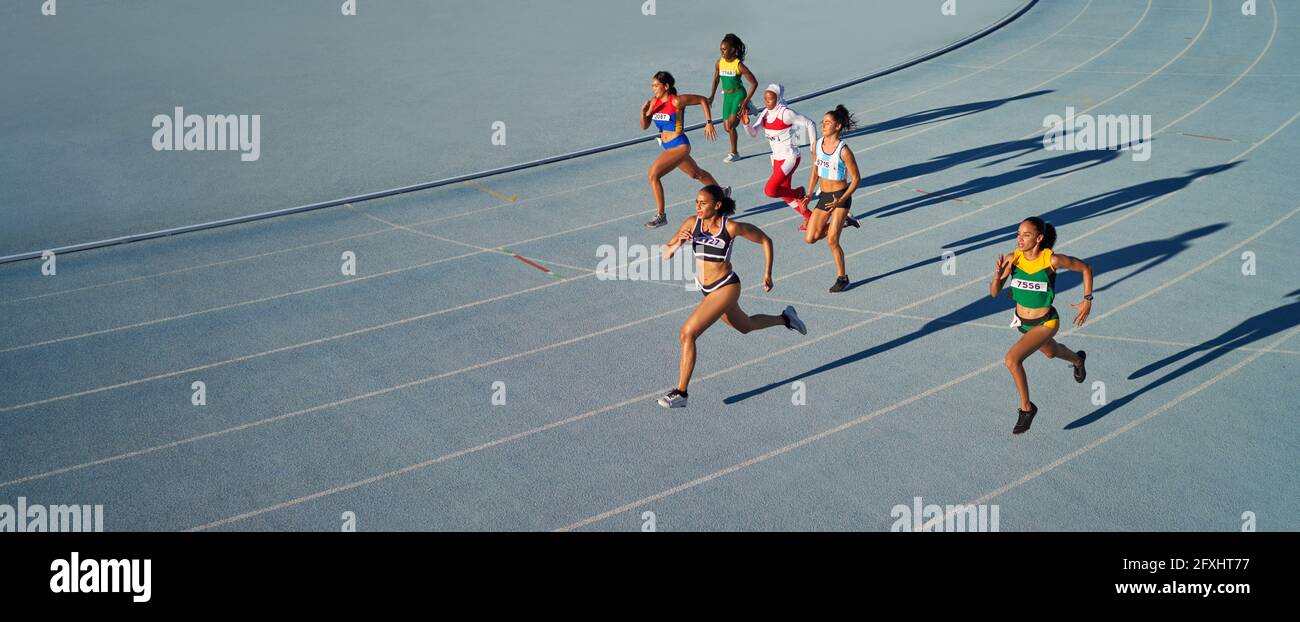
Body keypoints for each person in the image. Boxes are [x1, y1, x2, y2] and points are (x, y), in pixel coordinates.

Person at [657, 185, 807, 408]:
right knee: (745, 326)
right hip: (706, 290)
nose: (698, 207)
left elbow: (766, 240)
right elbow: (665, 254)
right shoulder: (691, 223)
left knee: (687, 333)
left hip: (726, 287)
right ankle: (786, 318)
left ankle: (681, 393)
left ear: (717, 205)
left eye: (703, 203)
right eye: (696, 202)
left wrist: (767, 273)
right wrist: (679, 241)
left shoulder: (732, 227)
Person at [989, 217, 1092, 434]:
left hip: (1046, 322)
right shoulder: (1013, 258)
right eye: (1018, 234)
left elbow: (1085, 268)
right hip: (1024, 324)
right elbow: (994, 293)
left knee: (1012, 359)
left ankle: (1027, 408)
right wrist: (997, 278)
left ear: (1039, 238)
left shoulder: (1051, 260)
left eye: (1026, 235)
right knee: (1051, 352)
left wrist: (1087, 300)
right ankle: (1078, 360)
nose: (1020, 239)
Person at [641, 71, 728, 229]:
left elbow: (702, 100)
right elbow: (644, 126)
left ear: (666, 86)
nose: (653, 88)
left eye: (656, 85)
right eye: (652, 86)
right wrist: (643, 113)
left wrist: (708, 122)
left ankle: (661, 215)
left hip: (680, 145)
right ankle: (720, 192)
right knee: (696, 174)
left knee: (653, 175)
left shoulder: (677, 101)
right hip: (667, 145)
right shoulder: (654, 102)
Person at [804, 105, 863, 292]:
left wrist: (841, 200)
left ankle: (842, 278)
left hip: (840, 197)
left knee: (832, 241)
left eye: (828, 122)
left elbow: (856, 179)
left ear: (837, 126)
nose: (824, 125)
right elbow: (815, 170)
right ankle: (845, 223)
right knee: (810, 237)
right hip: (824, 195)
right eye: (823, 122)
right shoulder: (818, 145)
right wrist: (809, 193)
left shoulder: (843, 151)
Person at [742, 84, 817, 230]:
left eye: (770, 99)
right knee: (784, 194)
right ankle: (810, 217)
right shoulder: (765, 114)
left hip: (790, 157)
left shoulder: (786, 113)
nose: (767, 102)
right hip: (776, 159)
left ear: (778, 98)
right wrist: (746, 124)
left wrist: (812, 146)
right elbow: (753, 133)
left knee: (770, 190)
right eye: (765, 99)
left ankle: (799, 192)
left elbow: (810, 123)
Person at [706, 33, 758, 163]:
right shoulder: (719, 63)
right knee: (726, 128)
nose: (722, 52)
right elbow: (716, 79)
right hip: (727, 97)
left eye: (724, 49)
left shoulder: (738, 65)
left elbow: (754, 83)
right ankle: (746, 107)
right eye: (721, 49)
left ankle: (734, 153)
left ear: (733, 49)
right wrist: (712, 96)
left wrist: (745, 99)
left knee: (731, 126)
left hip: (738, 94)